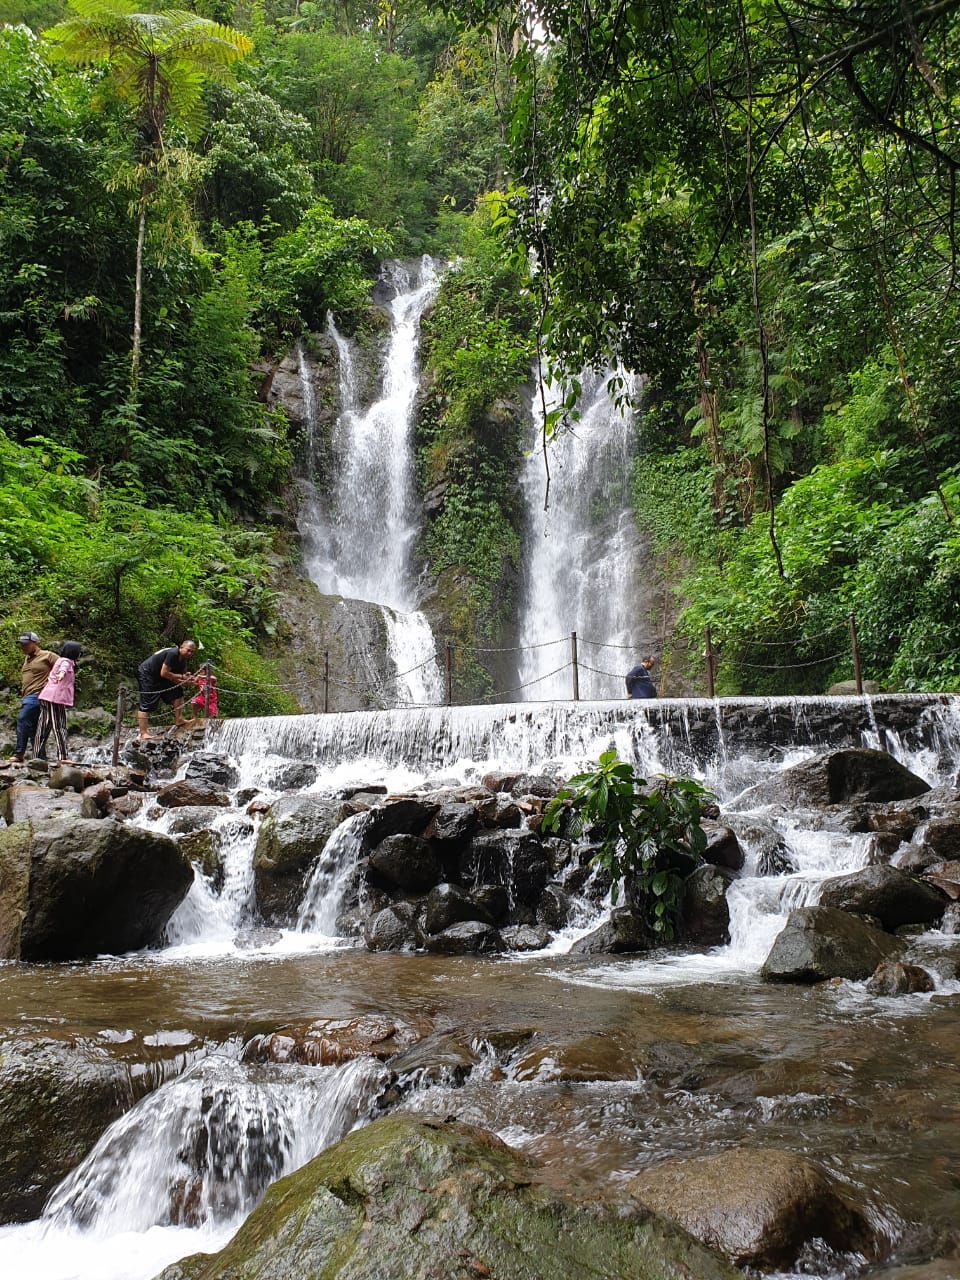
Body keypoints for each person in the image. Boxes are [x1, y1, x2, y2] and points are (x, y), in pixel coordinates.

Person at [9, 632, 57, 763]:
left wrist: (53, 686)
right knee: (35, 728)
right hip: (27, 696)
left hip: (38, 695)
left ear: (35, 643)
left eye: (26, 643)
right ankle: (40, 757)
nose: (23, 646)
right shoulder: (27, 659)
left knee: (23, 719)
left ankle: (19, 753)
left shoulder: (47, 655)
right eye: (21, 644)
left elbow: (64, 666)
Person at [136, 640, 197, 739]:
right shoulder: (172, 654)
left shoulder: (183, 661)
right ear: (181, 647)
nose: (189, 653)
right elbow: (164, 673)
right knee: (146, 703)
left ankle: (179, 719)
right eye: (188, 650)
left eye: (192, 652)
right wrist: (182, 676)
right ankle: (143, 733)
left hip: (162, 677)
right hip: (148, 673)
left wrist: (189, 682)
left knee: (178, 693)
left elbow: (176, 679)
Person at [34, 641, 82, 764]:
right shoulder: (66, 662)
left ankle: (36, 755)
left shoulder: (61, 660)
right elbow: (63, 669)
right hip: (55, 698)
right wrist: (61, 674)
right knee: (59, 726)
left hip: (46, 696)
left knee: (43, 726)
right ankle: (63, 756)